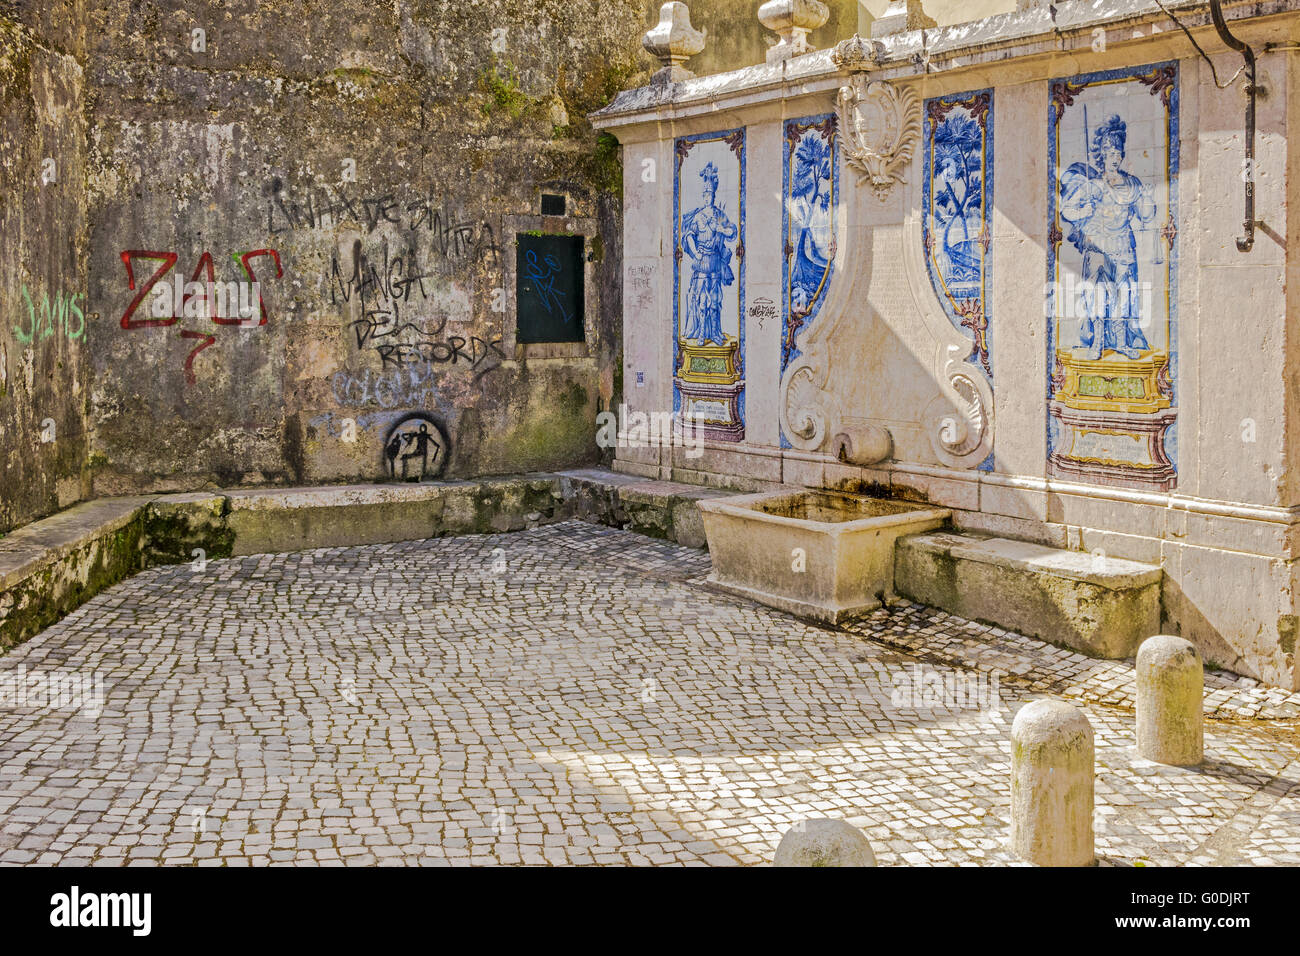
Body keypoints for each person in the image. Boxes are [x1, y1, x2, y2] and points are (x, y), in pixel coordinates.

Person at [1059, 114, 1156, 360]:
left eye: (1117, 153)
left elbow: (1147, 214)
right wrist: (1084, 210)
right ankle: (1098, 341)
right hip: (1098, 246)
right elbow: (1066, 211)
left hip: (1123, 245)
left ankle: (1122, 341)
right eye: (1109, 152)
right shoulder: (1092, 184)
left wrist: (1146, 198)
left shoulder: (1132, 184)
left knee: (1125, 295)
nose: (1114, 157)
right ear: (1101, 154)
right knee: (1096, 294)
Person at [681, 162, 738, 345]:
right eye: (706, 195)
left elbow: (732, 232)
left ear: (714, 195)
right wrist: (695, 252)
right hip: (701, 261)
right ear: (702, 196)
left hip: (715, 261)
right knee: (700, 301)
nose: (708, 198)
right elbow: (689, 235)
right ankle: (701, 334)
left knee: (715, 301)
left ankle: (715, 333)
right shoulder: (698, 216)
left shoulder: (719, 214)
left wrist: (720, 228)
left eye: (711, 195)